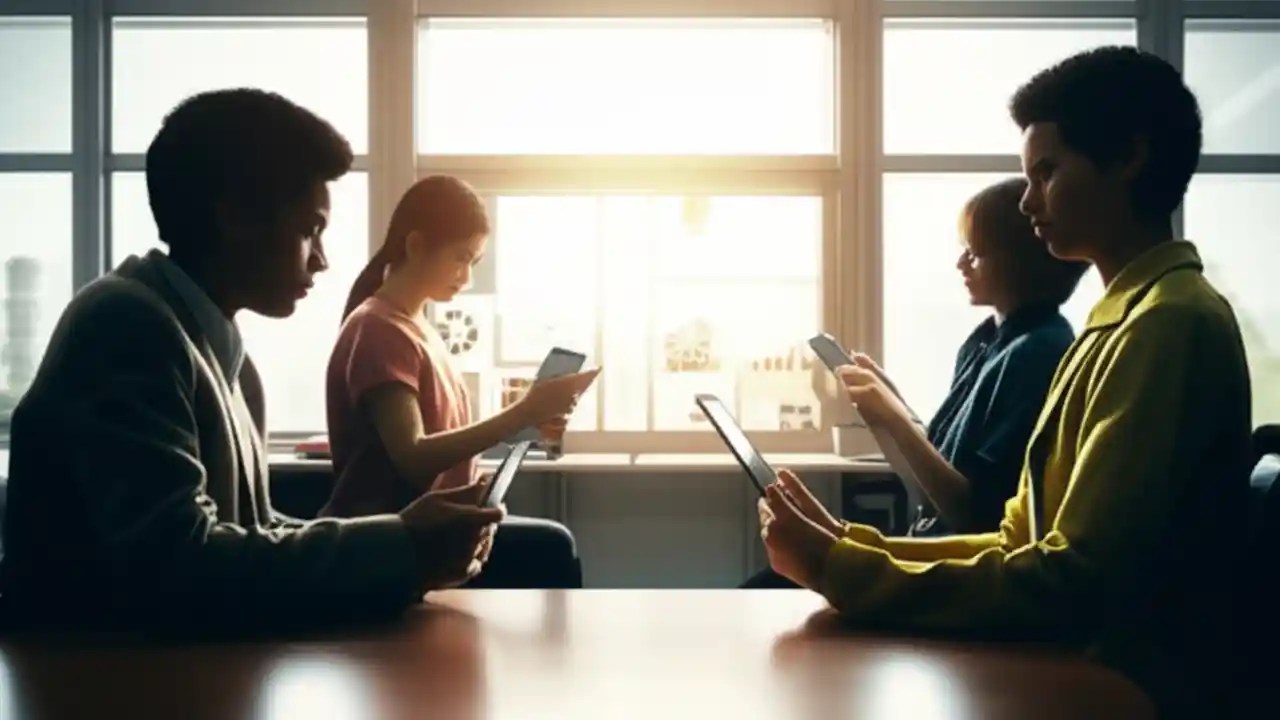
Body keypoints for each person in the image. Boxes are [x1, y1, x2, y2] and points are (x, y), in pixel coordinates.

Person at [758, 46, 1251, 717]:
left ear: (1130, 158)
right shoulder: (1116, 324)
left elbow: (1074, 583)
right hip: (1082, 659)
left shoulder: (1169, 326)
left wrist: (840, 568)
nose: (1028, 200)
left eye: (1046, 172)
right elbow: (1020, 537)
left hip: (1124, 683)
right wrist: (849, 547)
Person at [0, 89, 503, 631]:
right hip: (96, 686)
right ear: (236, 215)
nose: (323, 259)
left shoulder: (221, 355)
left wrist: (407, 543)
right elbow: (176, 561)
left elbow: (251, 532)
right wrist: (399, 546)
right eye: (309, 229)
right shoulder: (126, 325)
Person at [743, 176, 1087, 588]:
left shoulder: (1038, 353)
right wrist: (893, 410)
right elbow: (939, 474)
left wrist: (896, 419)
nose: (963, 263)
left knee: (770, 585)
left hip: (960, 573)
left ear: (1017, 259)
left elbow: (974, 515)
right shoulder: (986, 341)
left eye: (976, 253)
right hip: (928, 547)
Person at [321, 175, 596, 589]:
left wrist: (530, 419)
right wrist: (524, 411)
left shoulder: (415, 327)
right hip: (395, 538)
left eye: (475, 262)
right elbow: (412, 457)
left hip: (439, 529)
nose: (466, 277)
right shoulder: (378, 329)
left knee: (554, 548)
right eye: (460, 257)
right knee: (552, 550)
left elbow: (440, 436)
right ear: (416, 245)